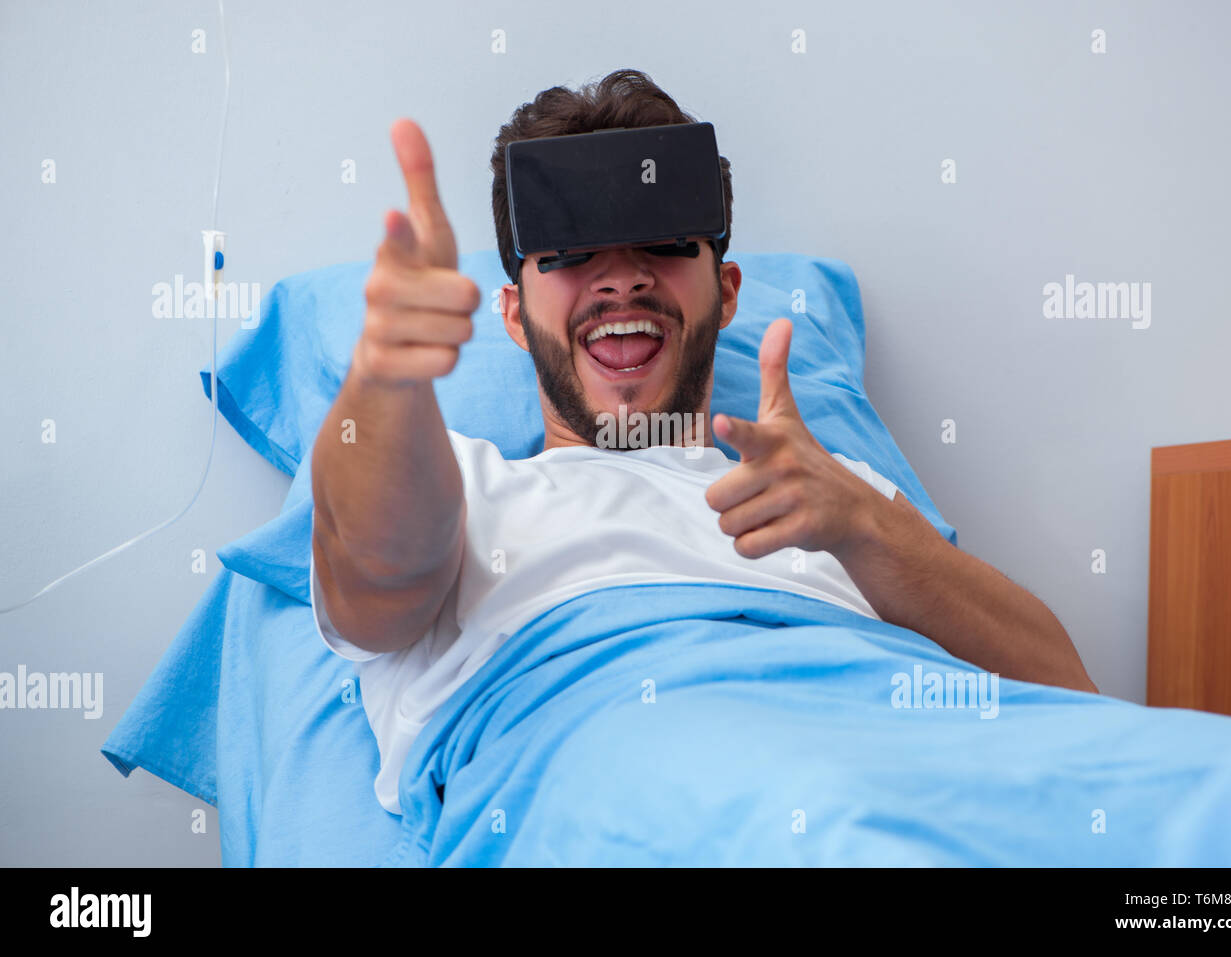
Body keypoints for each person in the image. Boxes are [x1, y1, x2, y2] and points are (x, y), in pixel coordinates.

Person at [310, 70, 1096, 815]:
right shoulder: (463, 489)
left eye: (662, 244)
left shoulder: (836, 497)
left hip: (929, 774)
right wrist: (385, 378)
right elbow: (378, 567)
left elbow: (1069, 692)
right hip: (666, 795)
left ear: (724, 294)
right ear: (513, 315)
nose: (620, 281)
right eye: (572, 255)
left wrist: (862, 521)